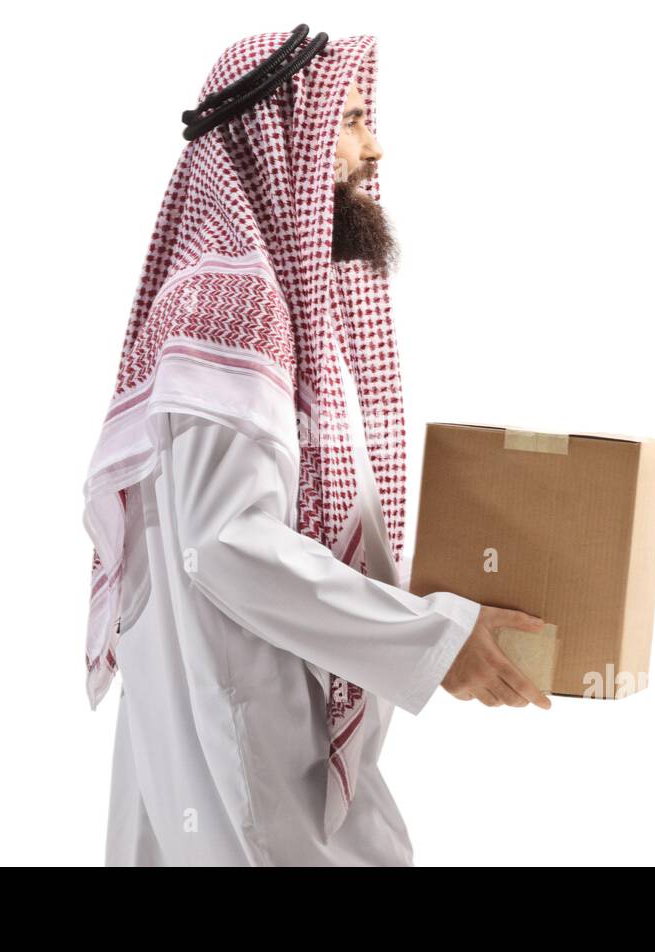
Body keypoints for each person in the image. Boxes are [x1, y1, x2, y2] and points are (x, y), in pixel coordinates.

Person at [81, 29, 550, 868]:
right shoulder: (234, 303)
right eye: (354, 121)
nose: (374, 150)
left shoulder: (270, 298)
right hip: (245, 731)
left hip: (254, 716)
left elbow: (309, 513)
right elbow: (227, 546)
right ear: (282, 139)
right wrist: (433, 640)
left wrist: (443, 609)